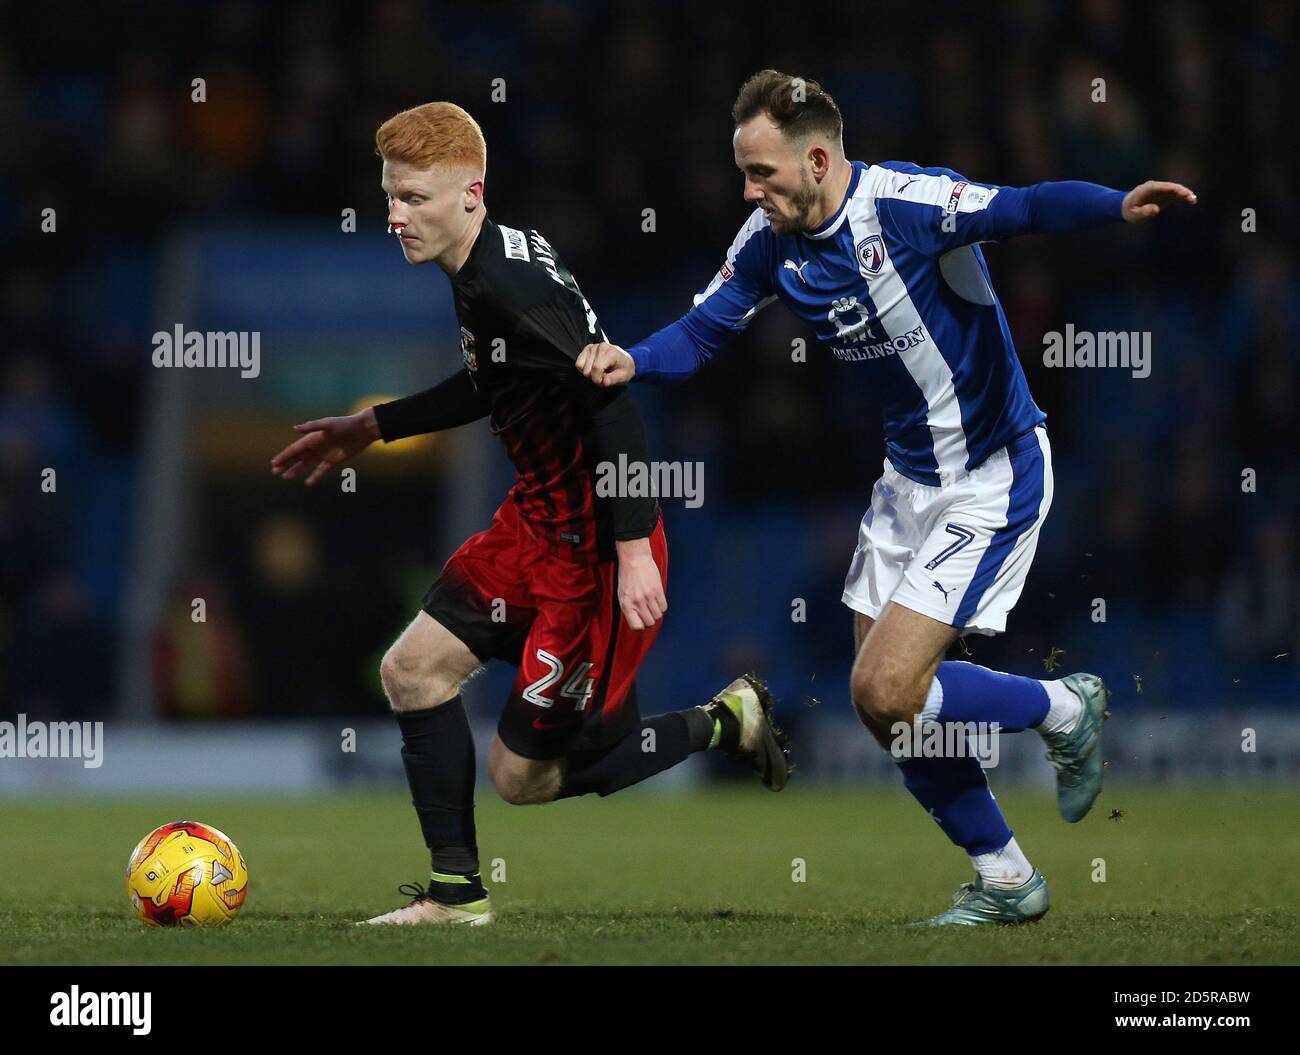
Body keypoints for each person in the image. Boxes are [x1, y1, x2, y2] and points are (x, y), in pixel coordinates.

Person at [576, 69, 1196, 925]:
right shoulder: (767, 240)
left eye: (762, 174)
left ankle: (1063, 704)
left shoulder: (905, 204)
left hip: (992, 473)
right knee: (893, 713)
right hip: (906, 483)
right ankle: (1009, 878)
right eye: (744, 174)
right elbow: (704, 328)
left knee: (884, 688)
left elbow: (1021, 208)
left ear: (820, 158)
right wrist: (631, 360)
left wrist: (1115, 202)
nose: (749, 192)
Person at [271, 101, 790, 927]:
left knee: (525, 778)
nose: (396, 217)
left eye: (414, 199)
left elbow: (613, 402)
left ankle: (723, 721)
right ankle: (455, 895)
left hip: (591, 552)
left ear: (471, 193)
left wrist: (630, 552)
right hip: (534, 525)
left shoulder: (509, 285)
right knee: (410, 670)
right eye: (389, 198)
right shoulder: (483, 268)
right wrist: (374, 425)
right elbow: (494, 380)